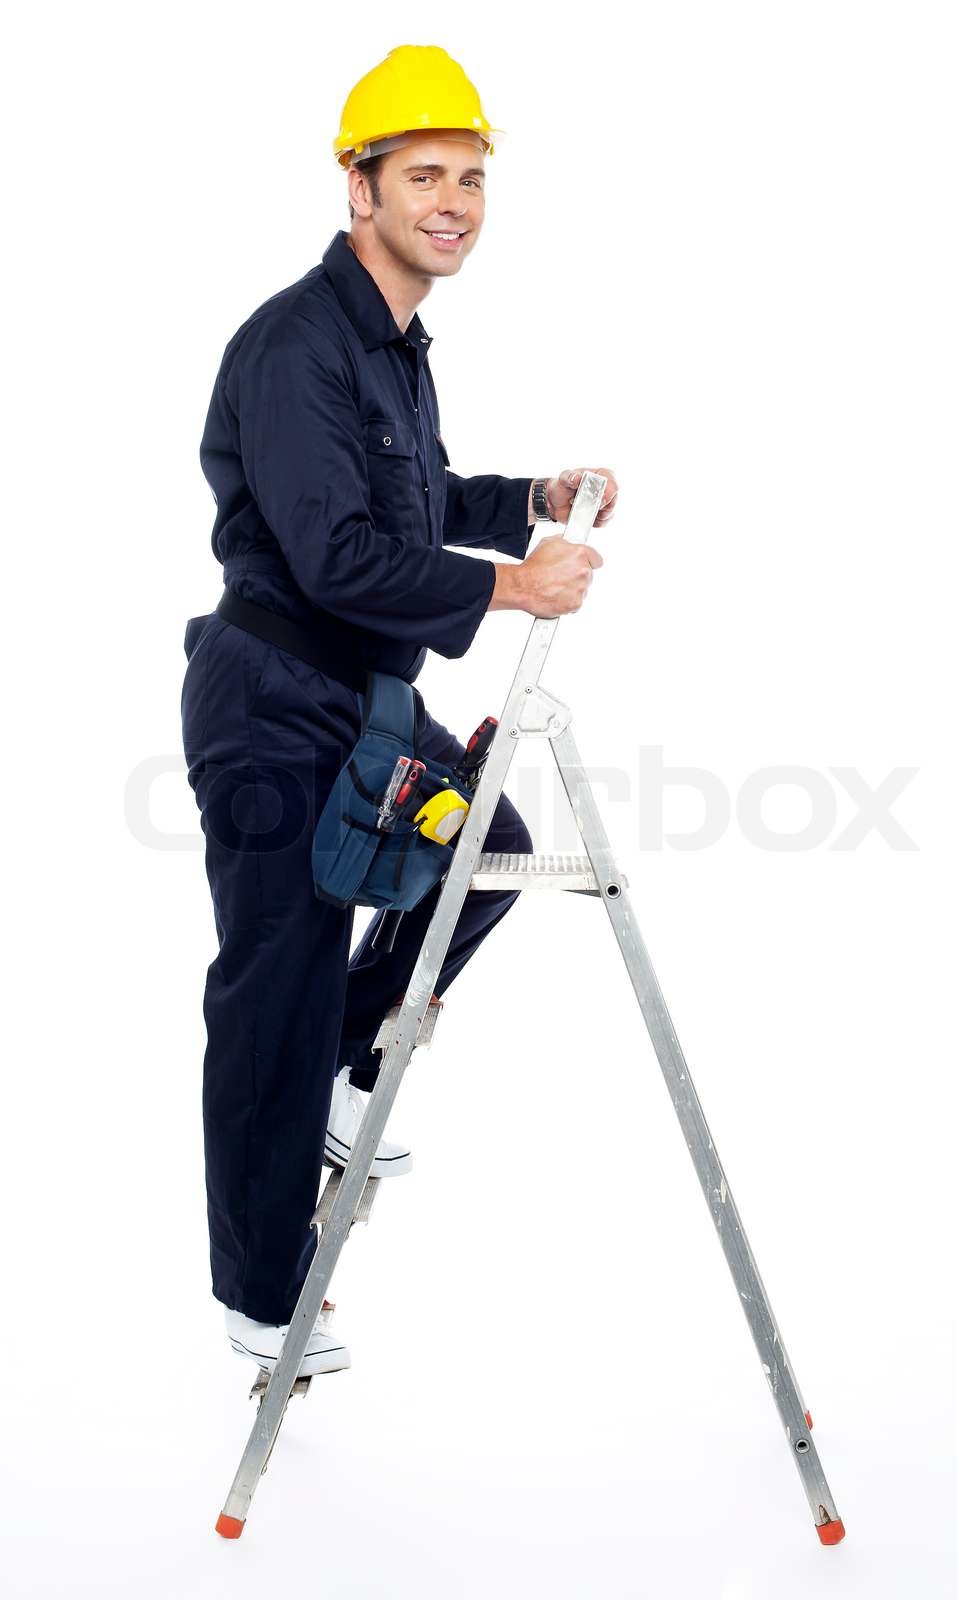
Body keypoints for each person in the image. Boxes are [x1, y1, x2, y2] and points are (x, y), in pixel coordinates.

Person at [181, 44, 617, 1378]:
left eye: (471, 178)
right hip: (271, 706)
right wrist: (517, 587)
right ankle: (262, 1296)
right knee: (275, 980)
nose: (454, 202)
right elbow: (336, 558)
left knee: (488, 841)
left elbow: (404, 504)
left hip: (358, 699)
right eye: (424, 174)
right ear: (357, 184)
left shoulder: (395, 351)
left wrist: (523, 499)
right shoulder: (295, 345)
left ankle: (352, 1048)